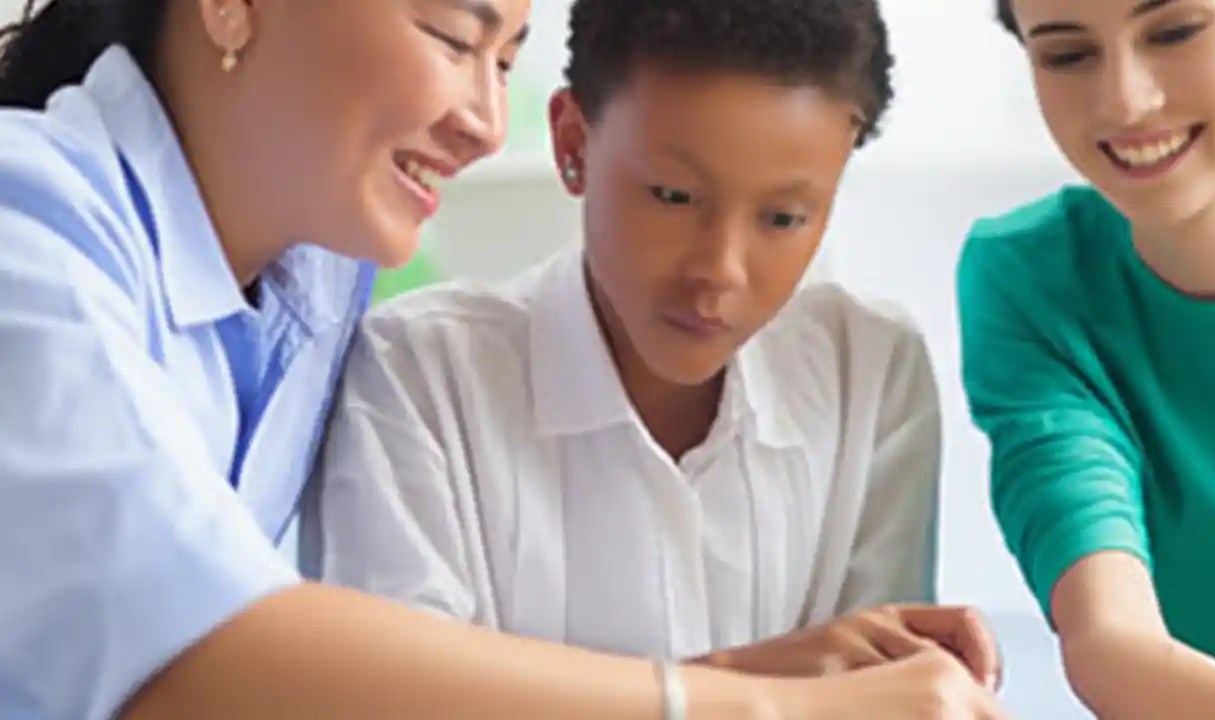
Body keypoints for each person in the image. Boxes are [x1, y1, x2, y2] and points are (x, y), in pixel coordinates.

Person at [0, 0, 1002, 717]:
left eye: (505, 61)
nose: (483, 124)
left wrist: (748, 672)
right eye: (451, 37)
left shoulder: (306, 287)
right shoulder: (25, 225)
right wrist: (755, 706)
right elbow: (187, 662)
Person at [306, 1, 1009, 717]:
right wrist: (749, 683)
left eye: (784, 218)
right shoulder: (419, 373)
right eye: (673, 196)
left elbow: (883, 698)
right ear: (573, 142)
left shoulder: (871, 367)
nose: (721, 271)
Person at [960, 0, 1215, 717]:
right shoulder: (1031, 280)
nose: (1126, 102)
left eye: (1173, 32)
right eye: (1068, 55)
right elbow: (1109, 640)